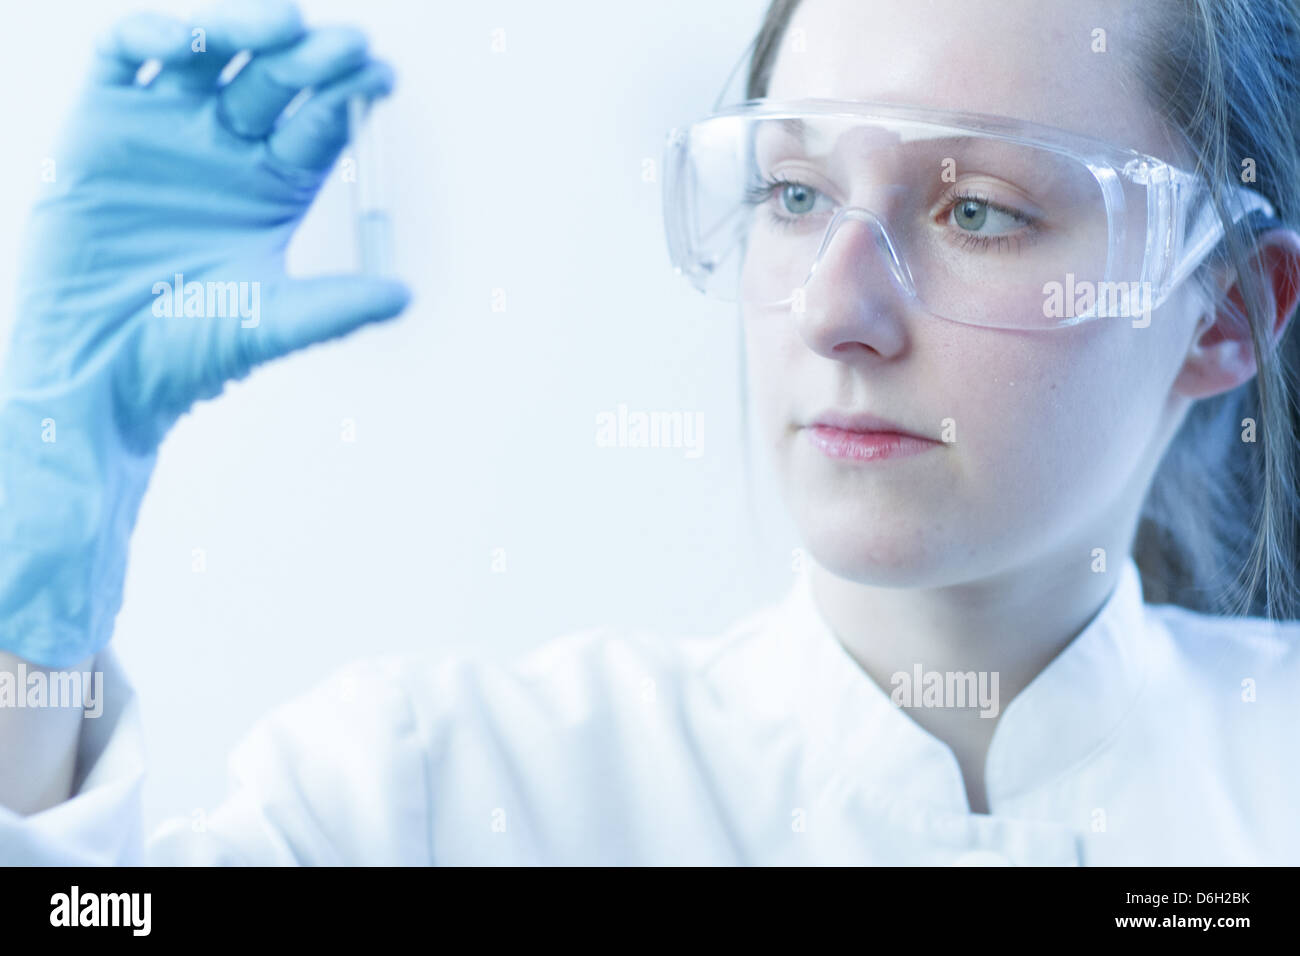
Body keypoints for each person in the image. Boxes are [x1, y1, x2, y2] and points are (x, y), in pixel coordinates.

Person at [2, 0, 1299, 865]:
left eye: (982, 214)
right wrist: (36, 604)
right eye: (794, 193)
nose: (837, 310)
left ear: (1226, 314)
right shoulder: (434, 798)